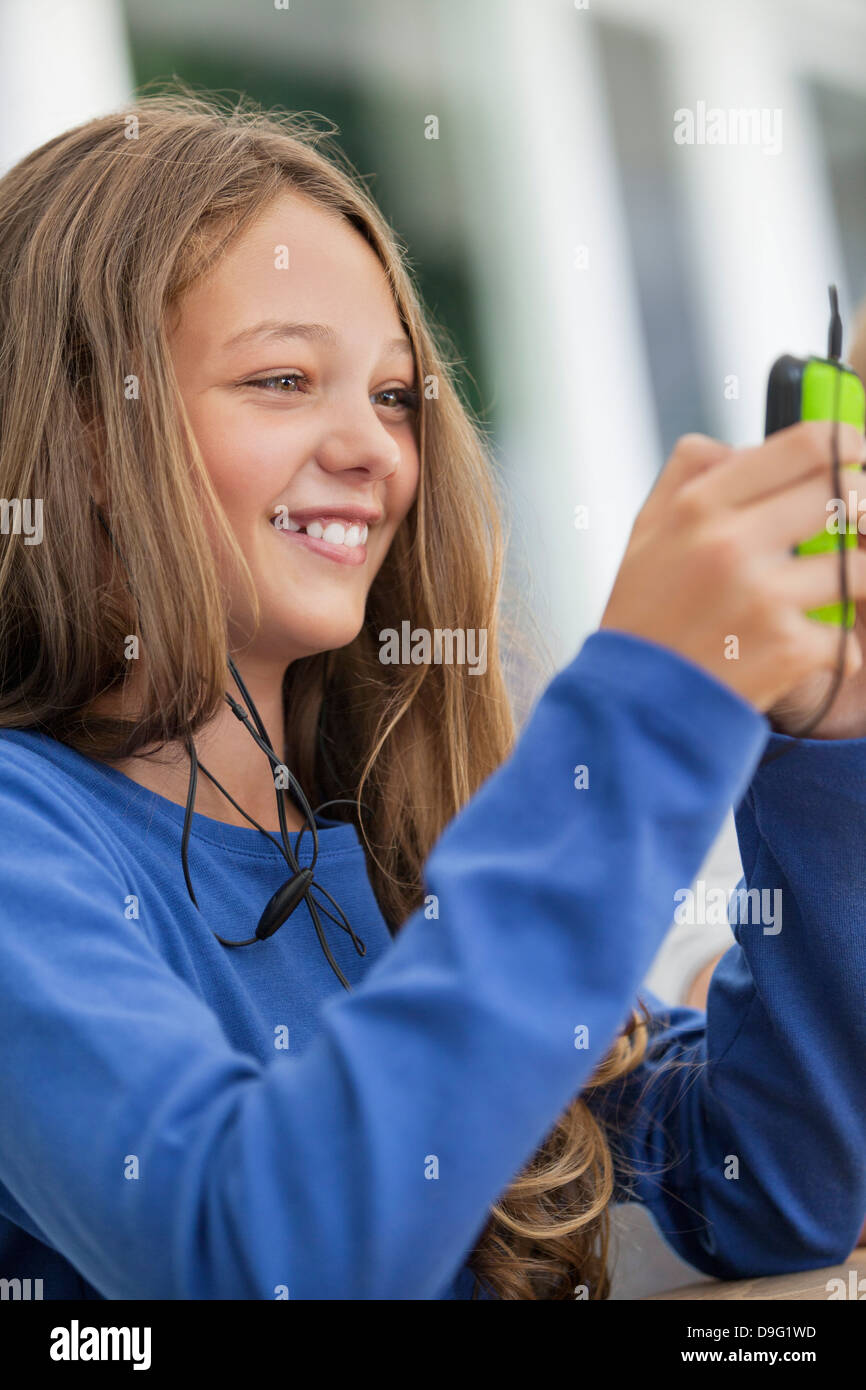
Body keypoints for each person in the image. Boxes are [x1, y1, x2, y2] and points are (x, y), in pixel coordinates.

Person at [1, 89, 865, 1302]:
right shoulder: (23, 841)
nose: (374, 447)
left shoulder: (398, 852)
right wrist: (650, 703)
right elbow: (256, 1259)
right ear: (85, 431)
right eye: (284, 378)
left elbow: (775, 1188)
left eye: (396, 395)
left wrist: (825, 737)